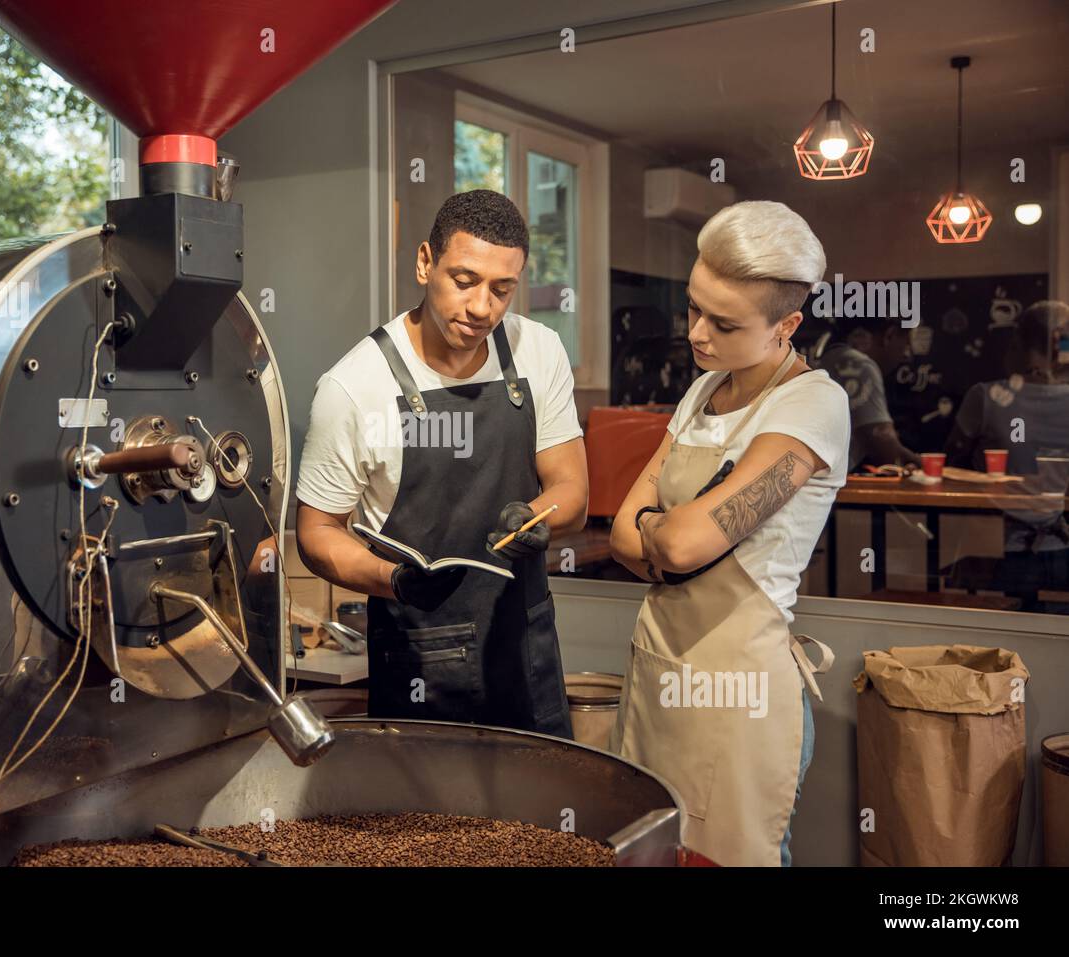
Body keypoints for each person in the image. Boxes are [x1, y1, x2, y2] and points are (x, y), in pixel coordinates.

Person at [608, 200, 850, 866]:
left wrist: (665, 535)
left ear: (787, 324)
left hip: (739, 693)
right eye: (693, 308)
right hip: (658, 672)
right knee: (651, 852)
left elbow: (677, 543)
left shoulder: (811, 403)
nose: (698, 334)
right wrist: (671, 536)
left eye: (724, 322)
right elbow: (623, 536)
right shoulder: (703, 391)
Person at [295, 190, 588, 736]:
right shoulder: (354, 388)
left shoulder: (538, 351)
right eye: (464, 280)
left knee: (541, 815)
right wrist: (395, 580)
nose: (483, 308)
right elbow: (316, 532)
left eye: (502, 289)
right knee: (428, 820)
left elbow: (571, 487)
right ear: (425, 262)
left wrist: (535, 519)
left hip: (523, 644)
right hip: (417, 656)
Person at [945, 300, 1069, 611]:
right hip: (1063, 545)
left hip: (994, 550)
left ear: (1017, 344)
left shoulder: (984, 398)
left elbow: (950, 462)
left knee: (999, 638)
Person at [816, 318, 919, 471]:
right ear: (889, 335)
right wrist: (928, 467)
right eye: (906, 342)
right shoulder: (860, 365)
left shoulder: (833, 357)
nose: (907, 355)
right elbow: (885, 450)